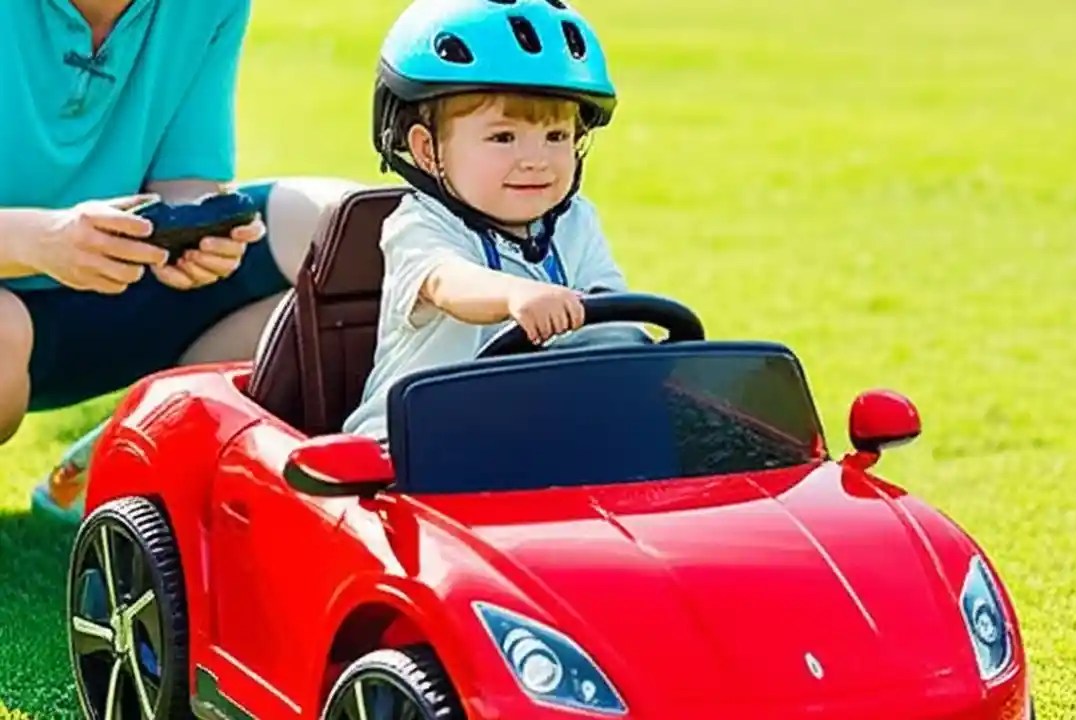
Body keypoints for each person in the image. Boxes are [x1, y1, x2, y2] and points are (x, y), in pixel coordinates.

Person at [0, 0, 363, 522]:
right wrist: (35, 241)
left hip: (119, 276)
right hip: (14, 302)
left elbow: (186, 176)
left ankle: (129, 454)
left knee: (350, 234)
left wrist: (200, 231)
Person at [341, 0, 627, 439]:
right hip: (408, 445)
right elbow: (448, 282)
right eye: (503, 137)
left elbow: (614, 314)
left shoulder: (576, 223)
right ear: (427, 150)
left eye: (556, 136)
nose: (536, 160)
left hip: (528, 435)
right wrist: (515, 295)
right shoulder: (419, 225)